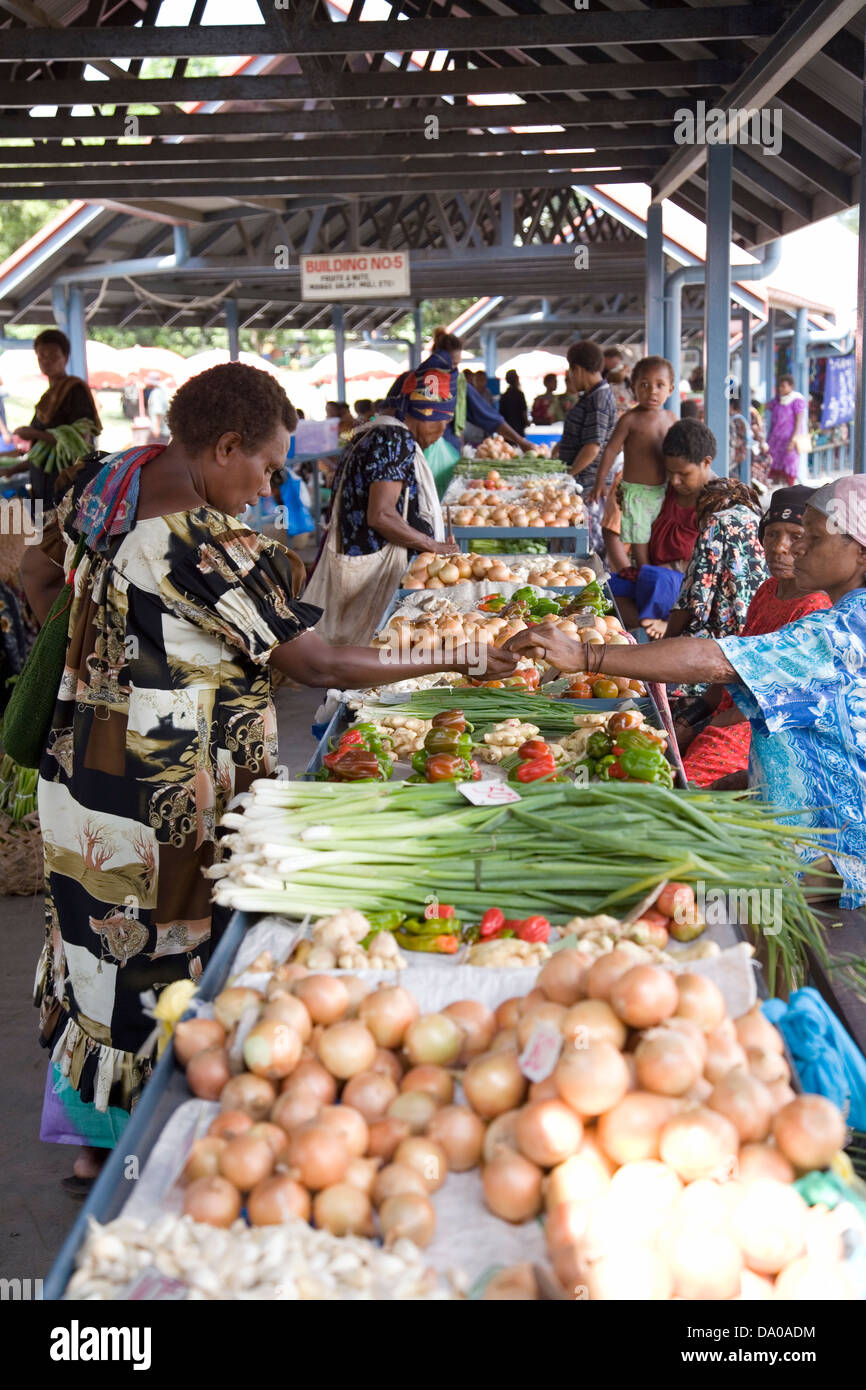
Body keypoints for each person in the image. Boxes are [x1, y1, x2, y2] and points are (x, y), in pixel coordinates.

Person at [20, 364, 516, 1191]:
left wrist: (96, 671)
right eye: (265, 467)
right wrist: (463, 652)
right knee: (164, 954)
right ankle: (151, 1145)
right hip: (168, 795)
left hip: (82, 777)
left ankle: (92, 1137)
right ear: (222, 448)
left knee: (94, 946)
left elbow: (36, 574)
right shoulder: (208, 543)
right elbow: (318, 662)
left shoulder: (111, 482)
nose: (270, 486)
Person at [505, 473, 866, 910]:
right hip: (797, 832)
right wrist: (744, 786)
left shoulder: (842, 631)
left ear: (860, 551)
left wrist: (585, 656)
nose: (796, 548)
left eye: (811, 535)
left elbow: (716, 661)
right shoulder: (836, 613)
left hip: (831, 859)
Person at [681, 486, 831, 788]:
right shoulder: (767, 590)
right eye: (772, 534)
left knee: (688, 783)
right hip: (727, 715)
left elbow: (775, 701)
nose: (779, 547)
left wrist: (703, 726)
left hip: (756, 725)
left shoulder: (815, 607)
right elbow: (734, 665)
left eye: (794, 535)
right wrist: (691, 716)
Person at [609, 419, 714, 638]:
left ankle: (670, 627)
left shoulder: (716, 502)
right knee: (605, 587)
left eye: (684, 474)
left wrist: (672, 567)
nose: (675, 481)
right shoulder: (662, 492)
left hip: (683, 586)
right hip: (649, 577)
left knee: (660, 580)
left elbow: (713, 566)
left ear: (706, 462)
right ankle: (650, 621)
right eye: (670, 472)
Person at [589, 356, 677, 567]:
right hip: (635, 492)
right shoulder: (629, 419)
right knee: (639, 536)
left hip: (664, 491)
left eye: (659, 385)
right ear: (634, 388)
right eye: (644, 385)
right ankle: (644, 571)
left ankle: (653, 571)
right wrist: (600, 481)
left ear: (670, 389)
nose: (652, 391)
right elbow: (610, 450)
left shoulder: (671, 418)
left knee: (658, 534)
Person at [386, 329, 532, 454]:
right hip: (412, 451)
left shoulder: (457, 385)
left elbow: (489, 417)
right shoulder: (410, 380)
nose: (453, 369)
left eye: (456, 364)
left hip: (439, 455)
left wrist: (521, 441)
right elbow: (388, 412)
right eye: (451, 364)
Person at [14, 329, 101, 505]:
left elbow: (78, 442)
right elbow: (41, 451)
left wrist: (33, 433)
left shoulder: (75, 391)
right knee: (42, 530)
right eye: (41, 356)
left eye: (53, 356)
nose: (46, 361)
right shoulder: (48, 396)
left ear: (65, 357)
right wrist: (11, 468)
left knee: (61, 530)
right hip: (41, 483)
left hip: (65, 484)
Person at [766, 374, 808, 485]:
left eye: (784, 386)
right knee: (774, 463)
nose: (781, 389)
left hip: (790, 439)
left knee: (789, 463)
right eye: (780, 386)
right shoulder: (777, 400)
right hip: (776, 440)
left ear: (791, 387)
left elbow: (799, 422)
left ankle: (789, 489)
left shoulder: (797, 401)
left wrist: (792, 440)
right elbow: (766, 407)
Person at [499, 369, 528, 435]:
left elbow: (501, 414)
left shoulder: (504, 396)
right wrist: (527, 423)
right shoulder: (519, 394)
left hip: (507, 428)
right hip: (519, 427)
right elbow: (524, 412)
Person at [729, 396, 748, 480]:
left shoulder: (736, 420)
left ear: (731, 406)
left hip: (736, 454)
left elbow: (735, 440)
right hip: (739, 453)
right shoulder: (740, 419)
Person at [146, 373, 169, 443]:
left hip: (159, 431)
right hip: (163, 430)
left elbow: (158, 411)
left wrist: (157, 427)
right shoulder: (161, 391)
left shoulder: (156, 393)